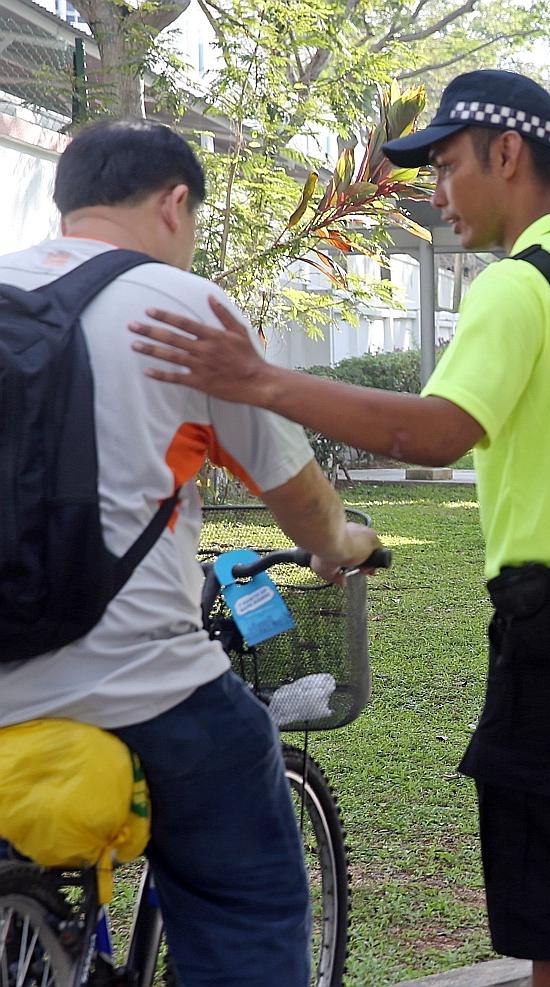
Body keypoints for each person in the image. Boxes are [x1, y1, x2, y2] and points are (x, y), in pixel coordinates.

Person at [127, 70, 550, 987]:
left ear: (507, 153)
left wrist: (260, 380)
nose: (438, 191)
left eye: (449, 165)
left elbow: (433, 432)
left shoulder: (518, 286)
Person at [0, 119, 382, 986]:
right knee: (248, 887)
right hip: (139, 686)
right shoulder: (182, 308)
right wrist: (342, 544)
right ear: (176, 202)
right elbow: (300, 498)